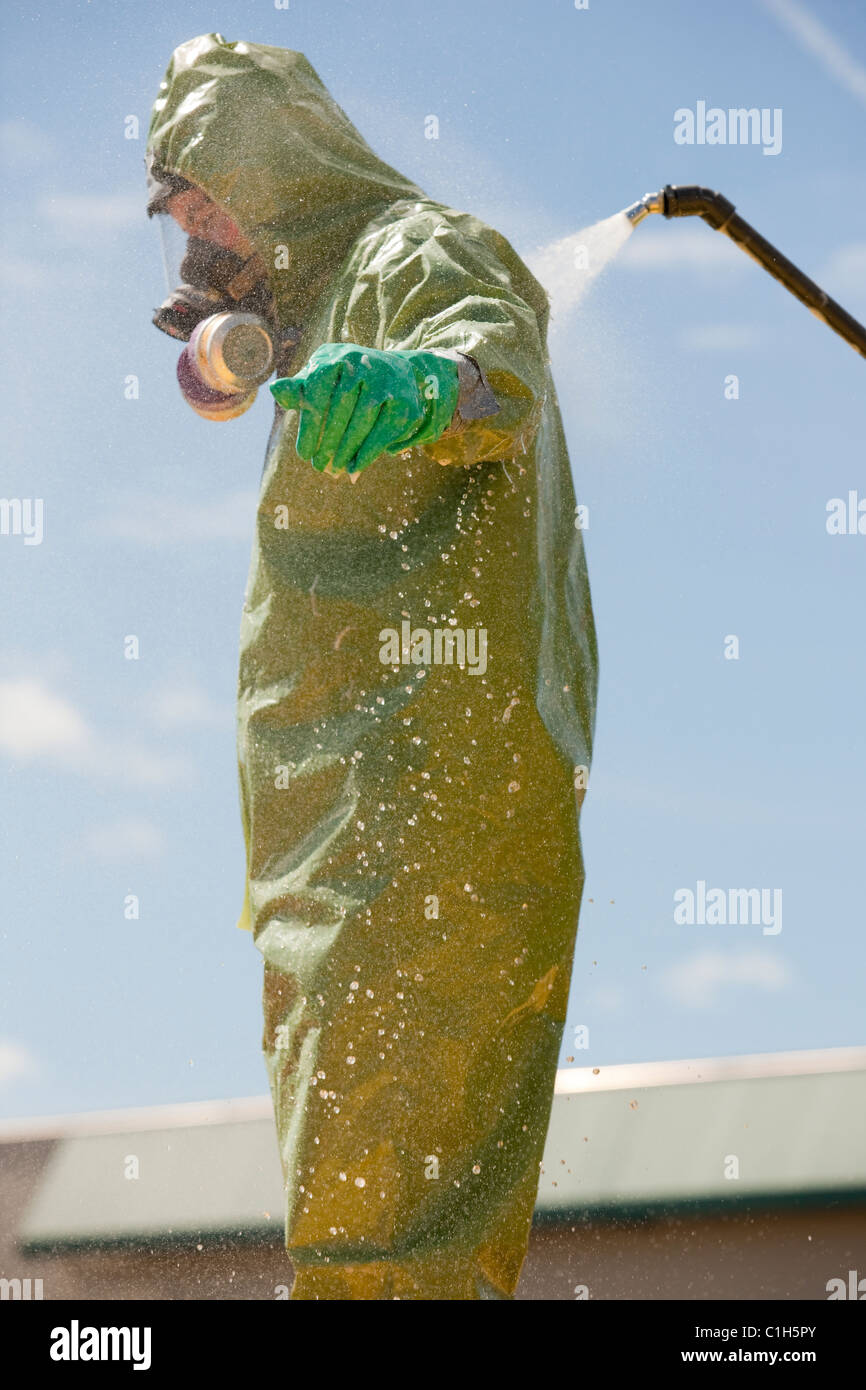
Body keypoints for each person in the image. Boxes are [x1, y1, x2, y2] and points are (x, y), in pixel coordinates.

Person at [146, 32, 598, 1300]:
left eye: (209, 193)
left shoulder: (416, 252)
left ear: (279, 160)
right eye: (178, 210)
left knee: (395, 1203)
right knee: (353, 1175)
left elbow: (493, 367)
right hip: (337, 810)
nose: (195, 232)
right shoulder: (320, 310)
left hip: (422, 789)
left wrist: (418, 385)